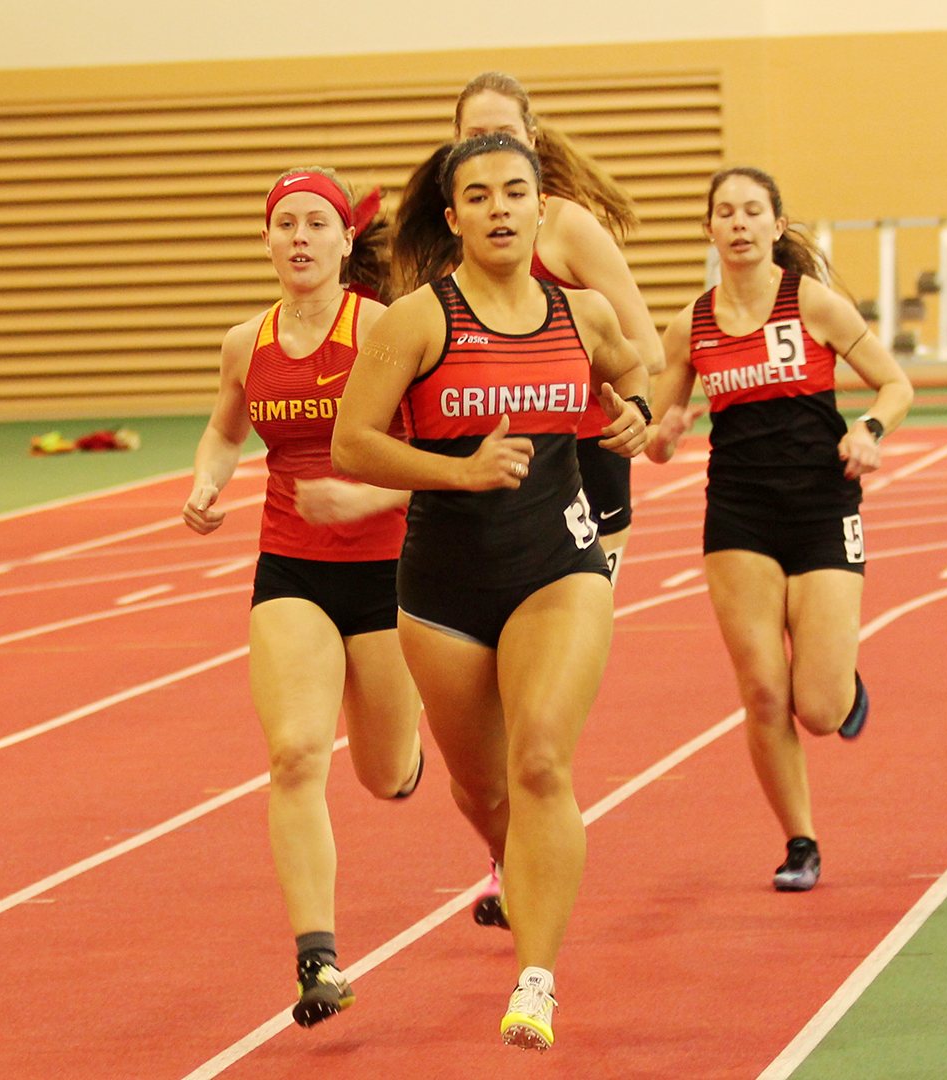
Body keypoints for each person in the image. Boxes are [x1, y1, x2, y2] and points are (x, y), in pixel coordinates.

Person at [332, 133, 650, 1052]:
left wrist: (627, 418)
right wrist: (461, 473)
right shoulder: (416, 322)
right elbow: (355, 443)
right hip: (442, 589)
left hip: (558, 564)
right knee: (486, 791)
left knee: (544, 759)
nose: (502, 209)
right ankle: (516, 870)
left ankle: (536, 982)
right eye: (481, 196)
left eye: (517, 192)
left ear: (542, 207)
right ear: (454, 216)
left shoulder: (581, 314)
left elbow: (631, 376)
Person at [181, 169, 422, 1028]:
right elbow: (225, 425)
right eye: (285, 224)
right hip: (291, 564)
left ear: (345, 240)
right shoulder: (248, 342)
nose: (300, 239)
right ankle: (316, 958)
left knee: (385, 773)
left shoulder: (387, 329)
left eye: (316, 223)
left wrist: (369, 496)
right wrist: (208, 480)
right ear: (267, 240)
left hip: (391, 566)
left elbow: (446, 457)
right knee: (293, 755)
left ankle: (407, 764)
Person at [645, 166, 913, 892]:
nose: (737, 223)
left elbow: (896, 383)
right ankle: (800, 840)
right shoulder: (690, 326)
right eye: (724, 212)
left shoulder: (814, 305)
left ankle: (843, 687)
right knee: (764, 691)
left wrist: (869, 429)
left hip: (823, 505)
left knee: (817, 709)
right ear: (708, 228)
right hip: (739, 514)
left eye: (751, 211)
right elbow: (657, 437)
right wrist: (665, 429)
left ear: (775, 225)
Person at [394, 72, 665, 584]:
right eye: (475, 136)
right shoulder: (455, 231)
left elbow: (646, 350)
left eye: (505, 133)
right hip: (480, 452)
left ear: (532, 140)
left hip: (578, 456)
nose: (491, 146)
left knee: (573, 634)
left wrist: (555, 379)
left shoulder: (566, 226)